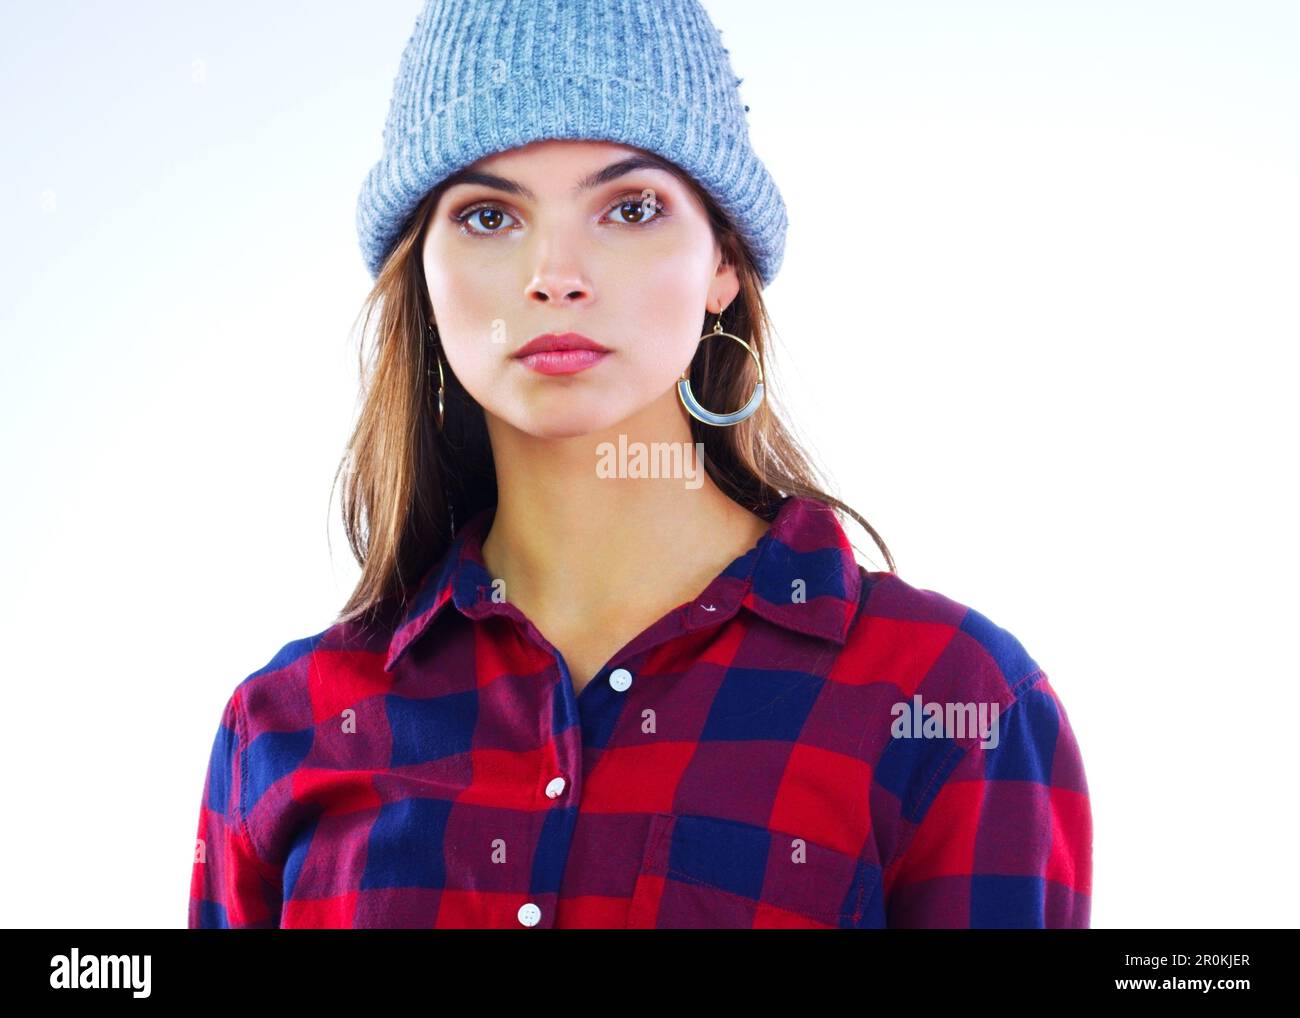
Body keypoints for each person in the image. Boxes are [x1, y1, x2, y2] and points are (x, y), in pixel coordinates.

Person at [188, 0, 1091, 929]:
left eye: (630, 208)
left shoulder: (953, 701)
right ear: (423, 272)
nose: (555, 275)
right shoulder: (284, 729)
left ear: (723, 263)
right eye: (489, 215)